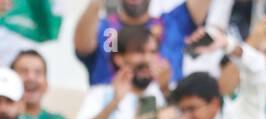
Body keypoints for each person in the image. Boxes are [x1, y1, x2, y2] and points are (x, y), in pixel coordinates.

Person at [72, 0, 207, 86]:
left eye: (152, 51)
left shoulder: (172, 24)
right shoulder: (106, 29)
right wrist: (96, 3)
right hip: (110, 116)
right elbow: (82, 47)